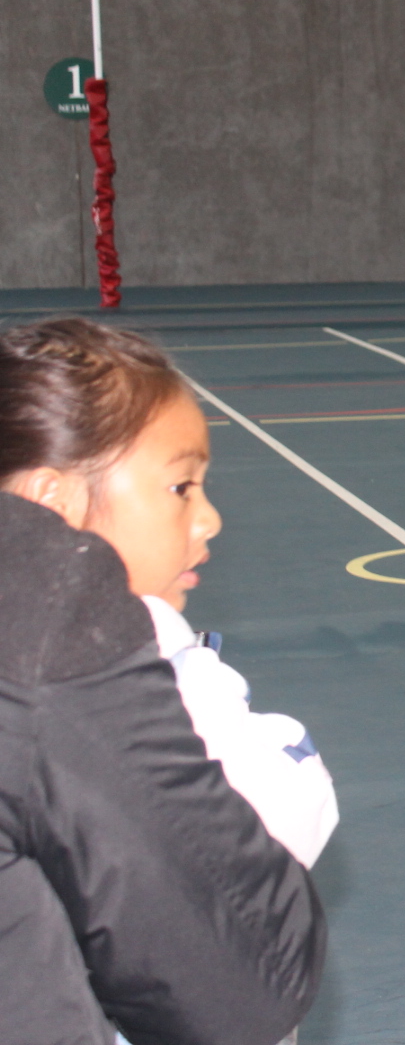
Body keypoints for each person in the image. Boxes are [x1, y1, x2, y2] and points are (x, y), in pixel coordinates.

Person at [0, 318, 333, 1041]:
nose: (208, 519)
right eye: (181, 487)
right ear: (53, 506)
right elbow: (272, 842)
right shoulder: (97, 670)